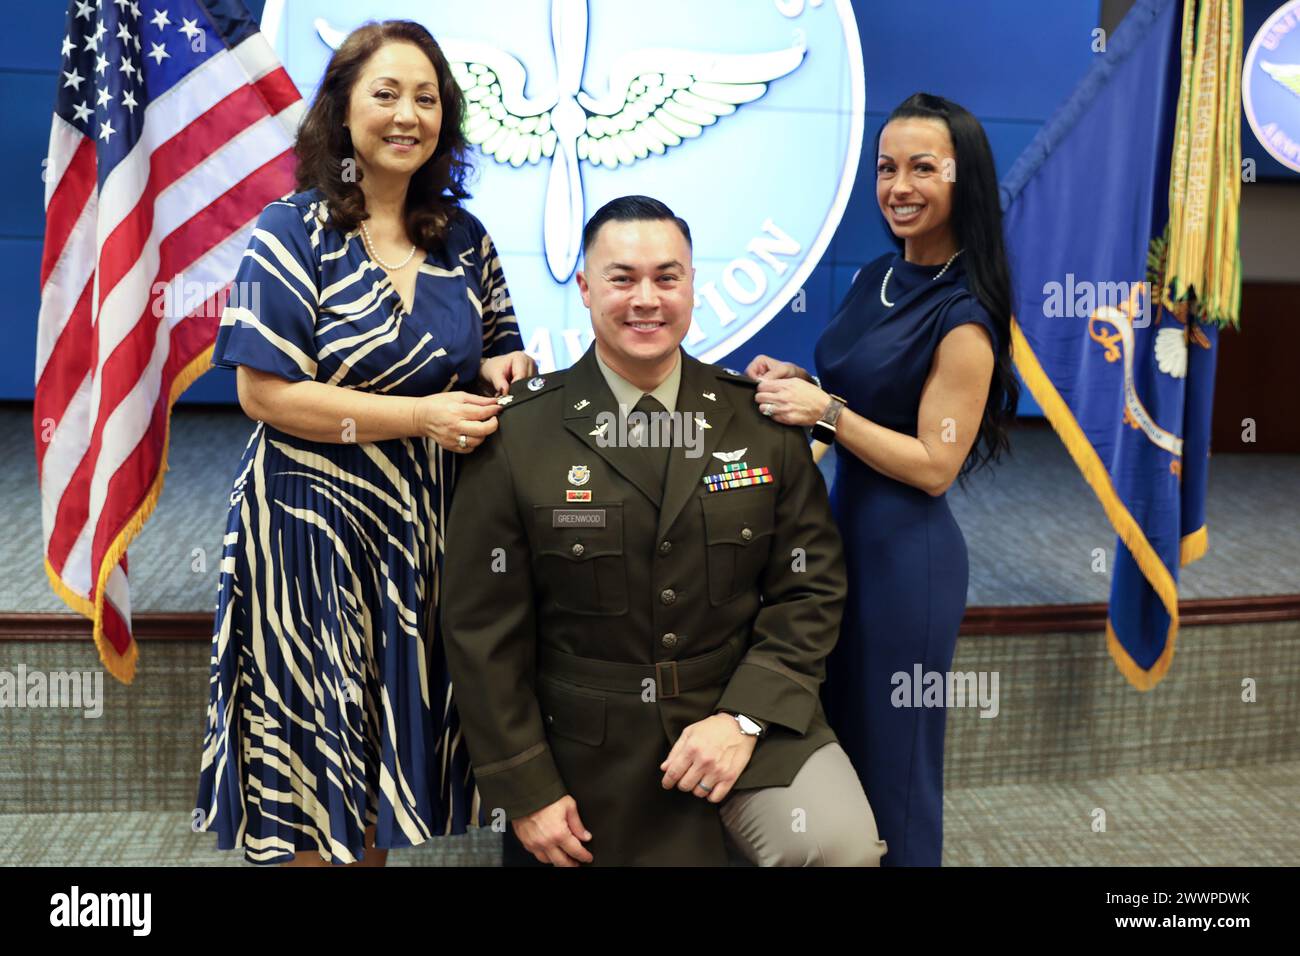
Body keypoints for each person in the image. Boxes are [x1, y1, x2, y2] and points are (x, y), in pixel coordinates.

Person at [440, 195, 886, 867]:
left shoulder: (760, 421)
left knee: (835, 845)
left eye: (666, 277)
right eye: (622, 279)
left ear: (692, 285)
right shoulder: (518, 433)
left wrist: (743, 719)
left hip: (742, 708)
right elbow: (481, 629)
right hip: (589, 739)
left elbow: (810, 590)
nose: (645, 299)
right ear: (586, 289)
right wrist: (525, 785)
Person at [194, 20, 534, 866]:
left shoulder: (466, 239)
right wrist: (422, 416)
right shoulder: (290, 229)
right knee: (315, 769)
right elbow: (262, 393)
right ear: (342, 112)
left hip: (423, 538)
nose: (407, 114)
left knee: (380, 766)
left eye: (426, 97)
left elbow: (497, 350)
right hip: (309, 534)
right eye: (385, 93)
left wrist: (506, 369)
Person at [746, 93, 1019, 866]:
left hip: (910, 566)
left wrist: (825, 410)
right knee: (844, 752)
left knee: (896, 771)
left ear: (963, 181)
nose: (899, 185)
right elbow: (863, 398)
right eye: (886, 168)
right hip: (843, 547)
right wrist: (802, 385)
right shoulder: (878, 275)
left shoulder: (964, 318)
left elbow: (935, 466)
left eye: (923, 168)